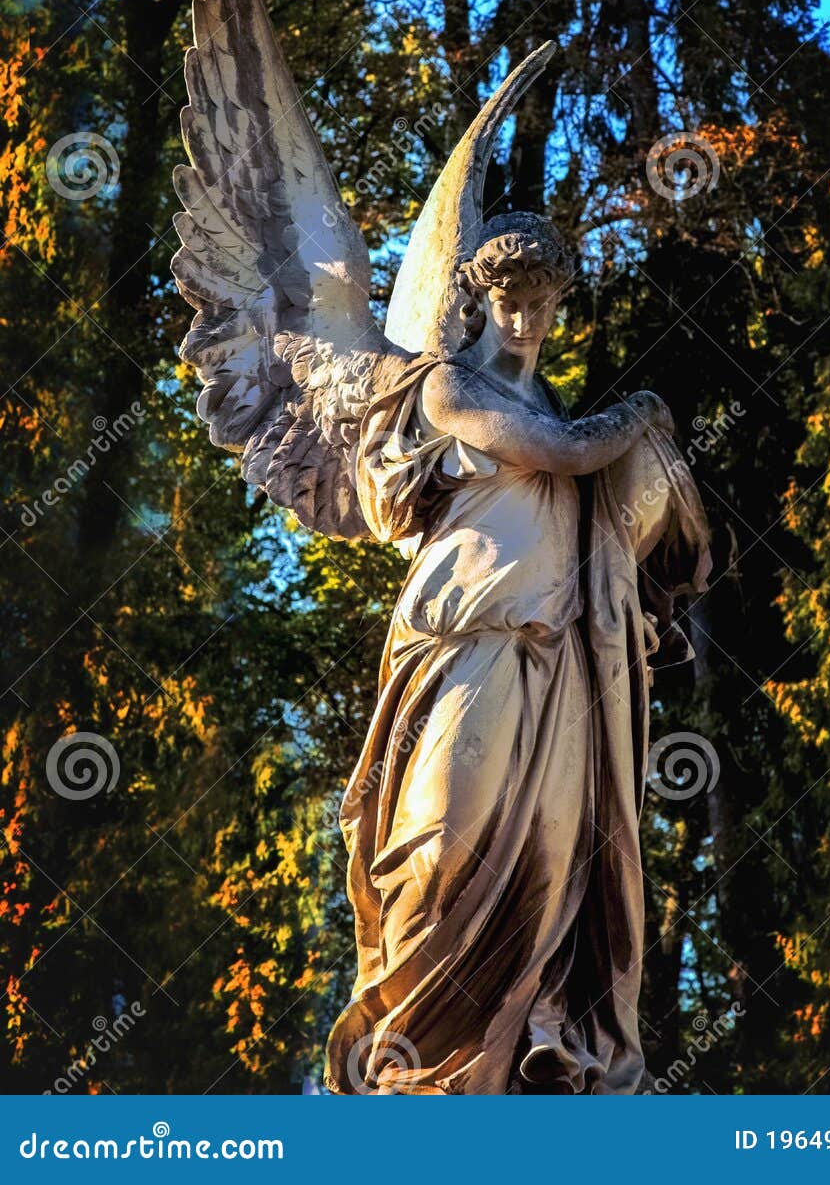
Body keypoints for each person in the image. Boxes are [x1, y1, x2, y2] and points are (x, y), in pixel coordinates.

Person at [325, 213, 709, 1095]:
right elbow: (566, 454)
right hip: (466, 647)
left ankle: (521, 1056)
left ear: (557, 303)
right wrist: (644, 410)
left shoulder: (549, 400)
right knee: (439, 841)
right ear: (479, 299)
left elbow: (596, 493)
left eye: (540, 303)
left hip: (556, 662)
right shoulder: (448, 391)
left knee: (549, 857)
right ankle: (413, 1061)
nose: (525, 320)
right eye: (508, 303)